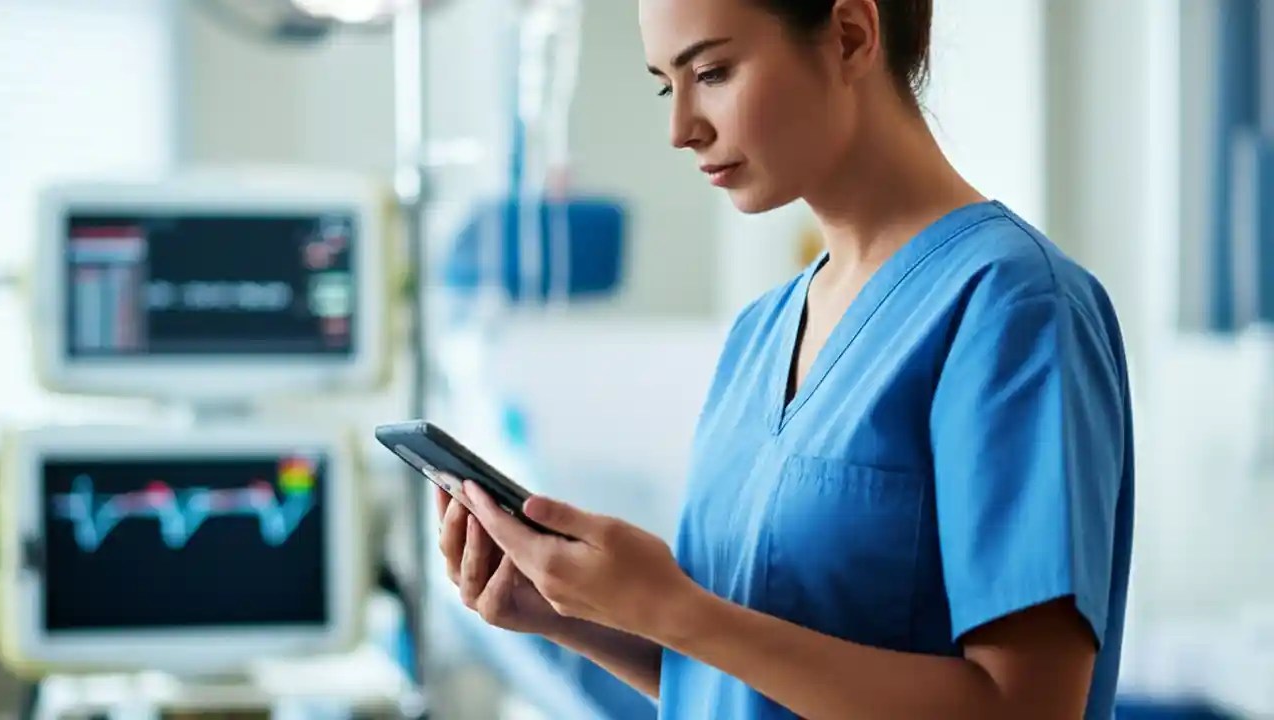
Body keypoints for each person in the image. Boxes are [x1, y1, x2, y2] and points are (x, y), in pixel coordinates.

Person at [437, 0, 1135, 717]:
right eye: (665, 85)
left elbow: (1025, 707)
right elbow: (740, 681)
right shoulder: (760, 334)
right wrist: (574, 612)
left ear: (850, 37)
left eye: (712, 72)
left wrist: (674, 608)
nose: (681, 128)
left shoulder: (1011, 307)